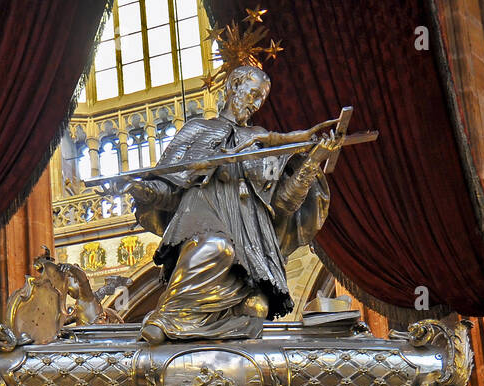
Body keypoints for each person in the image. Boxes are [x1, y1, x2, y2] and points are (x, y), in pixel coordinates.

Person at [118, 64, 337, 342]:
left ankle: (189, 333)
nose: (256, 104)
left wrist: (314, 160)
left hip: (250, 244)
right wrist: (142, 188)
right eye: (253, 93)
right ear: (234, 86)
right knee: (217, 248)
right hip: (204, 221)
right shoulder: (197, 130)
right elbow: (169, 187)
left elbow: (282, 204)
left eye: (262, 98)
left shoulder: (261, 145)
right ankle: (167, 319)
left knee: (256, 305)